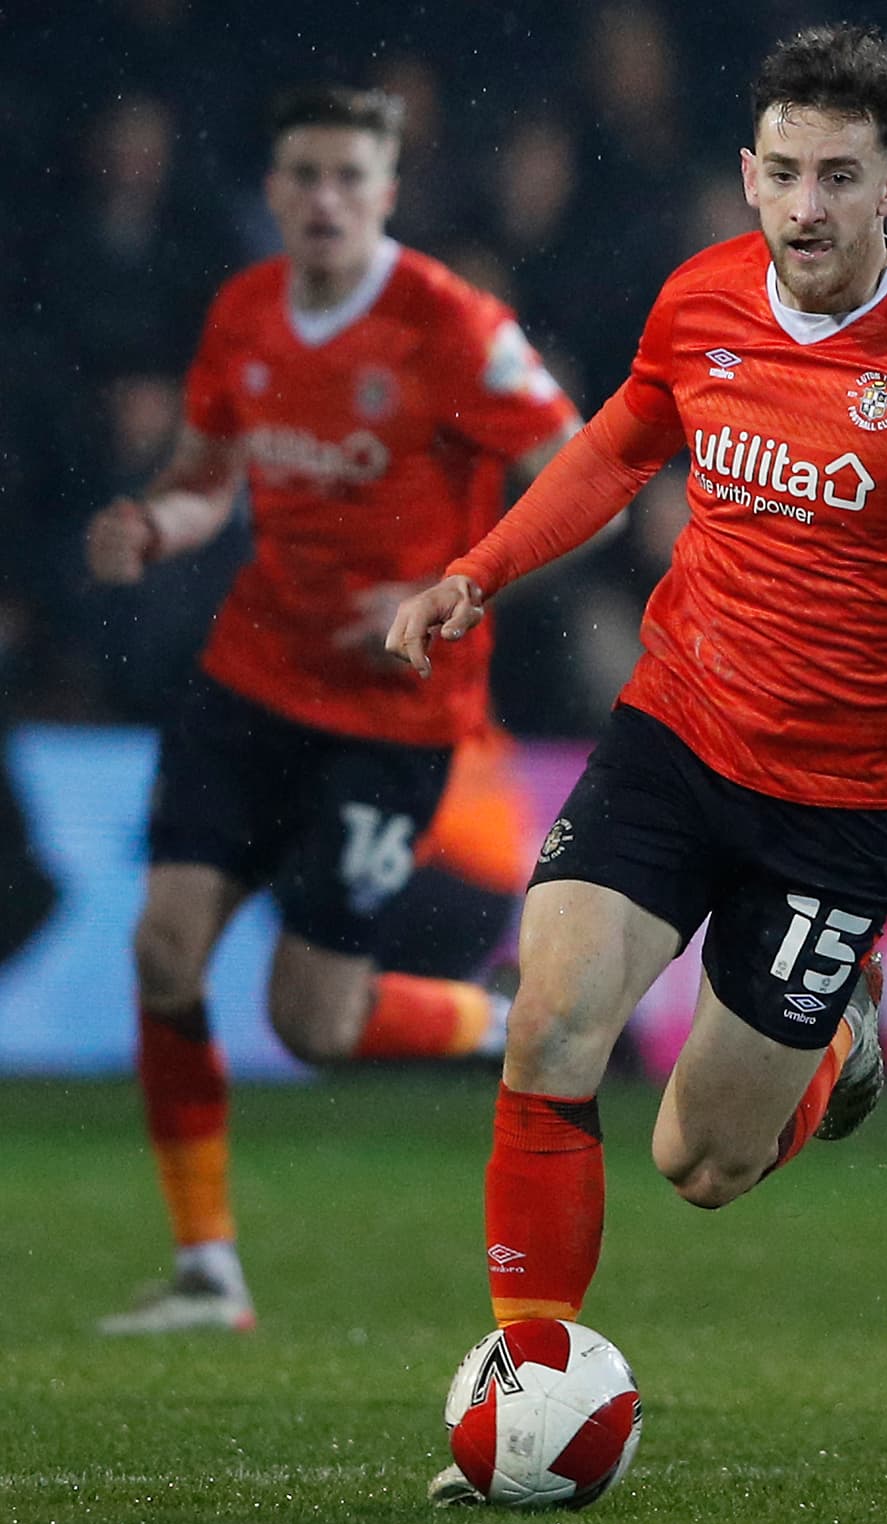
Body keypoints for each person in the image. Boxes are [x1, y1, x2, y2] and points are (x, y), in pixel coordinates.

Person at [383, 24, 887, 1505]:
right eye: (783, 172)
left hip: (844, 808)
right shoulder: (705, 297)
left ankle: (834, 1043)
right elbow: (616, 450)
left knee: (701, 1162)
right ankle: (526, 1401)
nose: (804, 207)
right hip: (674, 734)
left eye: (840, 178)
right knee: (549, 1027)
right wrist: (479, 571)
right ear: (748, 170)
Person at [84, 85, 580, 1334]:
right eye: (303, 174)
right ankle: (207, 1270)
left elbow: (580, 474)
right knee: (161, 950)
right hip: (248, 680)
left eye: (349, 177)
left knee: (312, 1021)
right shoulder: (245, 312)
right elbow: (207, 480)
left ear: (388, 191)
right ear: (275, 185)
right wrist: (156, 521)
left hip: (393, 717)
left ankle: (509, 1017)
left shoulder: (449, 326)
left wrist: (454, 586)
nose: (322, 200)